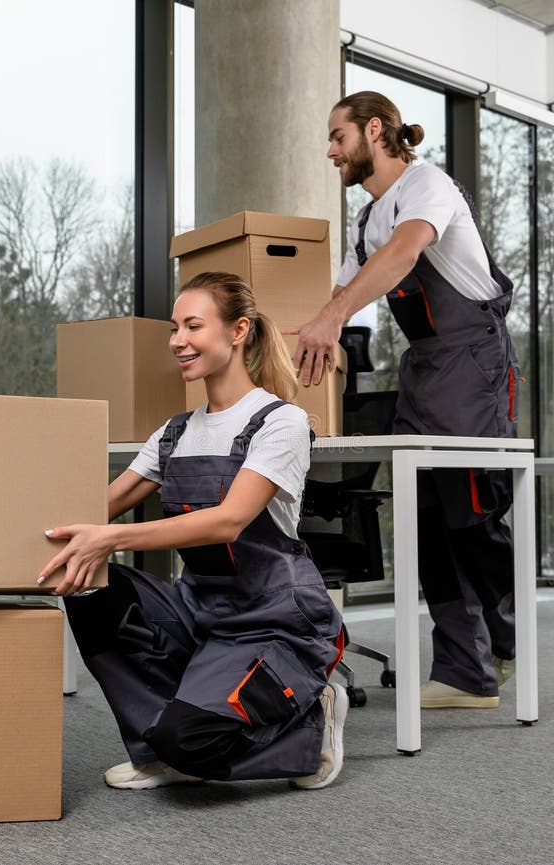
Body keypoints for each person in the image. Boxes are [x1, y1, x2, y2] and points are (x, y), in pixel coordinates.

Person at [38, 271, 347, 790]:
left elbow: (228, 521)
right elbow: (99, 506)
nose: (178, 340)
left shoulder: (280, 422)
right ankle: (158, 743)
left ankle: (313, 724)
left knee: (194, 743)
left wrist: (109, 537)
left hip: (272, 623)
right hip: (202, 613)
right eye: (175, 328)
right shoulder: (174, 432)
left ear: (238, 330)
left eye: (193, 326)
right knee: (91, 586)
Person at [290, 91, 519, 709]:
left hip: (474, 358)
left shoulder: (426, 186)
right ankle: (464, 673)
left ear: (374, 130)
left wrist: (335, 314)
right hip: (425, 367)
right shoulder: (365, 222)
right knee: (425, 519)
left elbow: (405, 254)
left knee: (471, 508)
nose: (330, 150)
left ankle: (511, 639)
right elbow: (338, 295)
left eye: (338, 136)